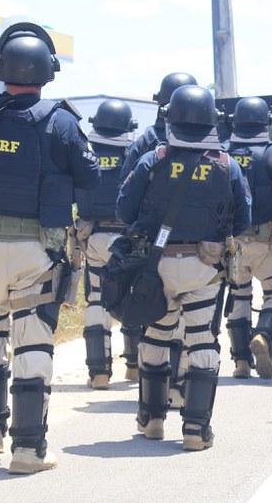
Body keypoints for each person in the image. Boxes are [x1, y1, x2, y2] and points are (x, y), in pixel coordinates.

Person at [0, 22, 100, 473]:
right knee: (32, 343)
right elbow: (90, 179)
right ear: (48, 71)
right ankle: (28, 450)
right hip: (37, 253)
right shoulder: (62, 122)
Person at [116, 84, 250, 451]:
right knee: (202, 339)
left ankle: (152, 420)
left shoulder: (153, 159)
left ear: (169, 117)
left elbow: (123, 210)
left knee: (156, 336)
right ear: (212, 121)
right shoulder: (227, 165)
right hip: (204, 266)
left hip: (155, 265)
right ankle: (195, 428)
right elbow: (243, 219)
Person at [118, 72, 196, 388]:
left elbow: (125, 193)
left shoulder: (147, 142)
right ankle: (179, 383)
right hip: (198, 246)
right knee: (192, 321)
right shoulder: (215, 147)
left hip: (152, 242)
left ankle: (146, 379)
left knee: (151, 310)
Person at [223, 97, 272, 379]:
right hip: (268, 242)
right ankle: (263, 334)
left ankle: (241, 362)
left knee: (238, 296)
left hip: (232, 243)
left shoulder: (222, 152)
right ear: (268, 122)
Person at [74, 99, 138, 389]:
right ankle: (134, 367)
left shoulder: (85, 152)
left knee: (97, 300)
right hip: (127, 239)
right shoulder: (134, 153)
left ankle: (99, 372)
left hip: (94, 236)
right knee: (133, 296)